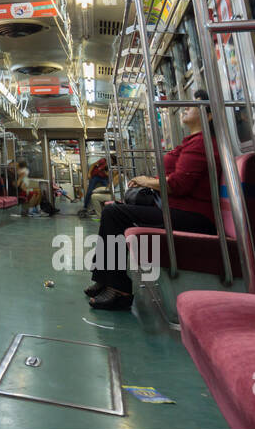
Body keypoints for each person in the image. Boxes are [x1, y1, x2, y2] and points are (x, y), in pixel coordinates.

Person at [86, 92, 220, 310]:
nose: (185, 107)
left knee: (114, 214)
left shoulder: (201, 144)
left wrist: (147, 181)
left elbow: (178, 184)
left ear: (209, 115)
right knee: (117, 209)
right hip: (177, 208)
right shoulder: (192, 142)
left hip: (194, 216)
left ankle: (119, 290)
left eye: (192, 104)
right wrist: (149, 181)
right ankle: (104, 277)